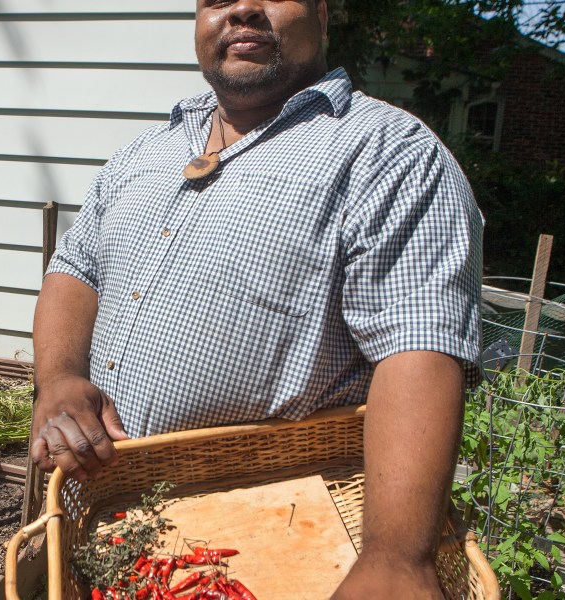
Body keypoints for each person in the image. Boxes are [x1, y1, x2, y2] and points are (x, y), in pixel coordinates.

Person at [30, 0, 483, 597]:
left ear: (323, 11)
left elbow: (418, 345)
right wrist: (59, 378)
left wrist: (398, 556)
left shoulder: (387, 152)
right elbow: (76, 267)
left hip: (278, 526)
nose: (242, 7)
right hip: (113, 513)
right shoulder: (147, 150)